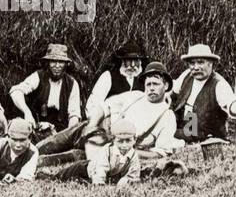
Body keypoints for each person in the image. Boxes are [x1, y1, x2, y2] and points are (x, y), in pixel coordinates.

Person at [37, 60, 180, 176]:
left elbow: (160, 153)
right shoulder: (135, 96)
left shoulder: (167, 116)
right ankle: (33, 150)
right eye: (148, 84)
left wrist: (129, 151)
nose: (151, 88)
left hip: (116, 148)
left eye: (156, 84)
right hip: (100, 132)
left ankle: (41, 161)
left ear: (166, 85)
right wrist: (92, 125)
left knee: (76, 156)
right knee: (70, 134)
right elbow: (104, 107)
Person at [171, 43, 236, 144]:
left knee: (167, 133)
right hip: (184, 126)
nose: (196, 67)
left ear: (210, 63)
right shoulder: (187, 75)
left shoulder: (219, 84)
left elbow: (230, 103)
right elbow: (172, 92)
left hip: (204, 133)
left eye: (200, 62)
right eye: (192, 63)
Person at [9, 43, 83, 136]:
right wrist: (27, 113)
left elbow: (74, 115)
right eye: (53, 61)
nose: (57, 66)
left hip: (59, 132)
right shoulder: (38, 76)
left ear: (66, 64)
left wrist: (68, 134)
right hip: (36, 128)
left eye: (61, 62)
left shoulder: (72, 84)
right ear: (48, 63)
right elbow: (15, 92)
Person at [0, 118, 40, 186]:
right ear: (8, 137)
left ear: (29, 139)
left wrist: (15, 180)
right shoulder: (0, 144)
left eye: (22, 140)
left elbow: (27, 175)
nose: (18, 145)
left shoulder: (33, 152)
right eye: (14, 140)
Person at [86, 41, 146, 109]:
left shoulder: (143, 81)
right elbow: (93, 104)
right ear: (122, 61)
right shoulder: (108, 76)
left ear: (140, 62)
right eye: (129, 60)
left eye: (136, 60)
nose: (132, 65)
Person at [87, 119, 141, 185]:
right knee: (77, 169)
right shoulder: (107, 150)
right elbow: (101, 167)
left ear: (135, 140)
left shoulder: (133, 154)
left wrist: (126, 180)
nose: (124, 145)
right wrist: (100, 180)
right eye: (120, 141)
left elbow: (134, 172)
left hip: (112, 174)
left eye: (128, 140)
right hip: (90, 168)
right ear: (113, 140)